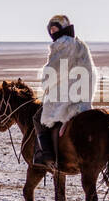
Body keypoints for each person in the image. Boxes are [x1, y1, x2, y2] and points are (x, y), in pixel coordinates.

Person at [33, 14, 97, 168]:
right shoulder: (80, 44)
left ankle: (47, 155)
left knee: (38, 117)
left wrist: (46, 84)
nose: (53, 32)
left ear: (62, 28)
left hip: (67, 96)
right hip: (82, 95)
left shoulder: (63, 44)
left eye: (55, 28)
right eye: (51, 30)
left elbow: (53, 71)